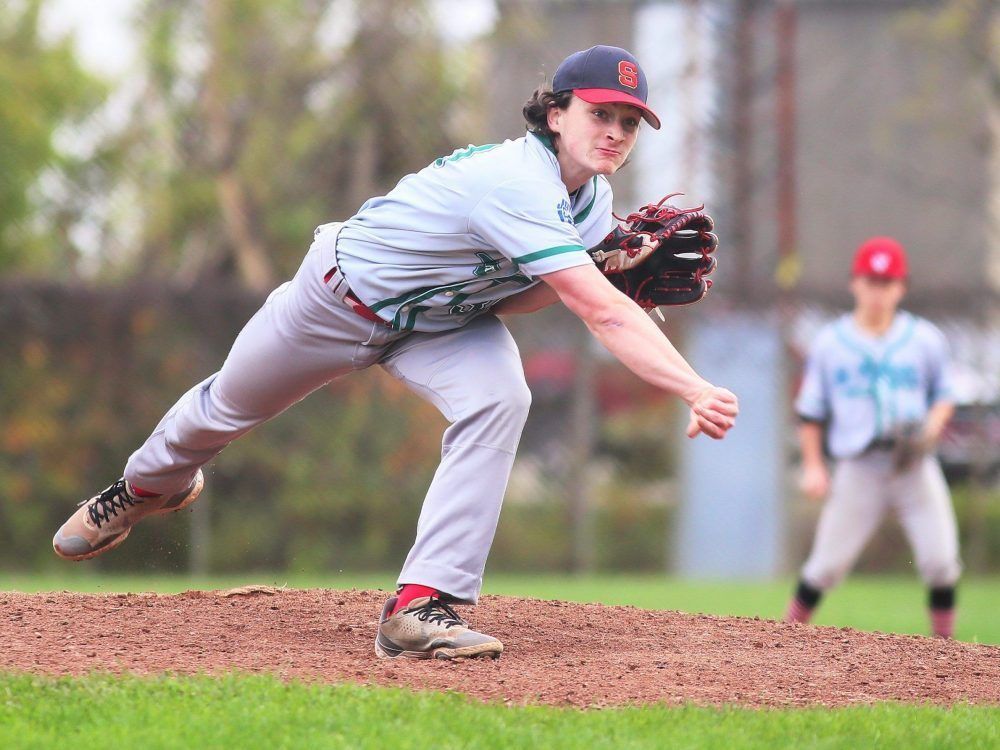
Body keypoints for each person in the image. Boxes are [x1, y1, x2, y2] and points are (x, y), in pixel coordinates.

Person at [53, 45, 738, 659]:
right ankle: (144, 487)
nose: (615, 132)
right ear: (556, 113)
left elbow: (525, 296)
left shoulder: (590, 204)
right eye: (601, 113)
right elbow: (599, 312)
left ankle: (422, 606)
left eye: (629, 121)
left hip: (442, 323)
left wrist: (605, 273)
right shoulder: (516, 181)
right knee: (225, 410)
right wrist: (690, 385)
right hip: (335, 300)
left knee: (501, 396)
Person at [785, 236, 961, 638]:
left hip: (915, 465)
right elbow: (810, 412)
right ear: (855, 283)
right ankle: (782, 641)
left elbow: (944, 395)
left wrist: (932, 427)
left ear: (901, 287)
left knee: (940, 562)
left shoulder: (924, 339)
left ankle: (948, 657)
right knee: (825, 567)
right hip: (859, 467)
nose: (878, 290)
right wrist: (813, 466)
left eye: (887, 282)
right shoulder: (832, 342)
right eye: (871, 280)